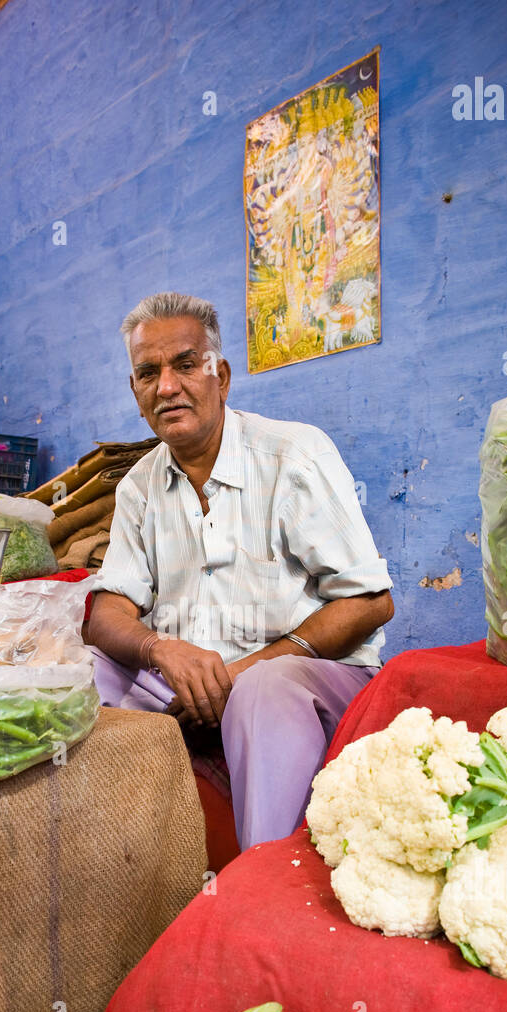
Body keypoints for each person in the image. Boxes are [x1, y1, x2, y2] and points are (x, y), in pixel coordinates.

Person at [87, 291, 393, 848]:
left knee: (263, 688)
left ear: (220, 375)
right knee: (84, 669)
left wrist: (242, 674)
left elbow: (371, 602)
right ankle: (111, 861)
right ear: (135, 392)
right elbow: (106, 611)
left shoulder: (292, 455)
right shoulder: (139, 485)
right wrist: (162, 650)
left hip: (304, 676)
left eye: (185, 365)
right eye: (147, 373)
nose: (167, 387)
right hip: (191, 688)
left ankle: (262, 890)